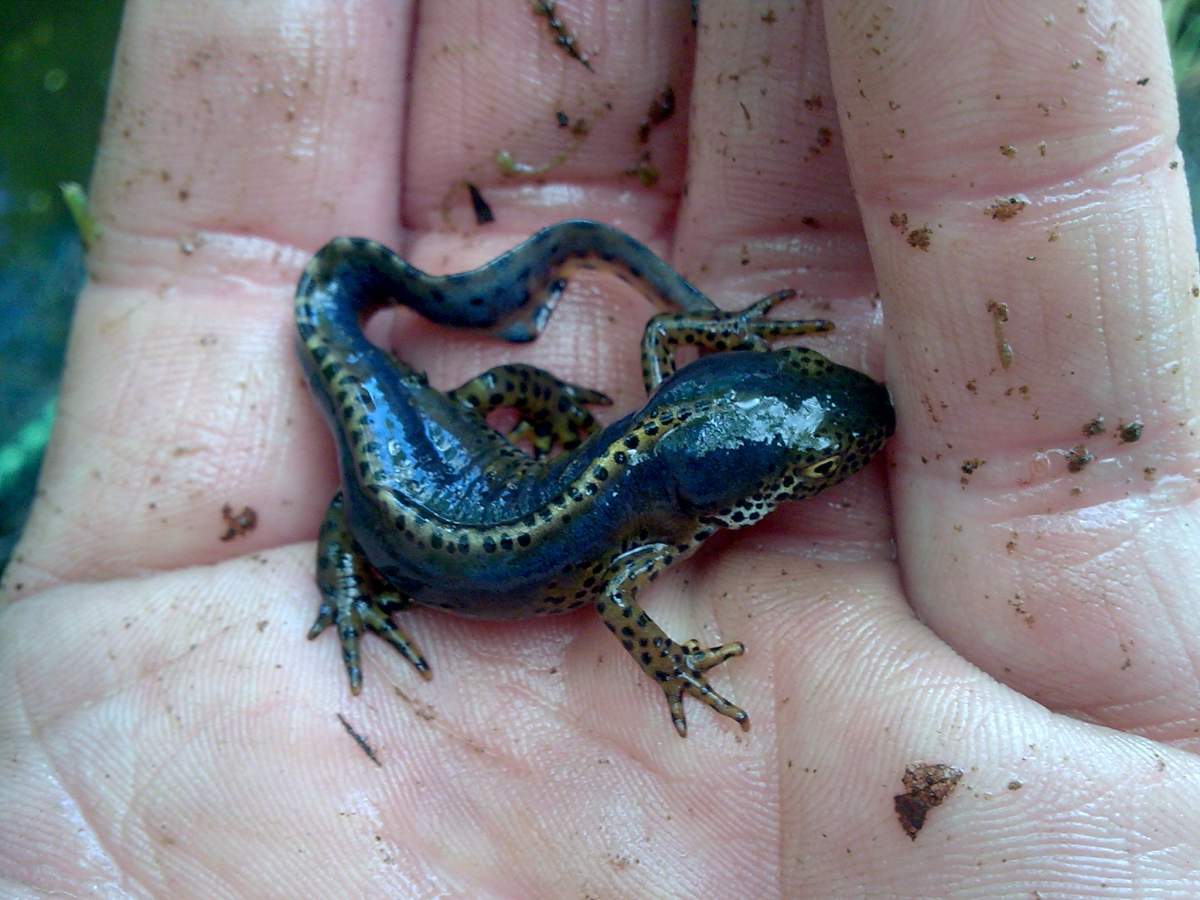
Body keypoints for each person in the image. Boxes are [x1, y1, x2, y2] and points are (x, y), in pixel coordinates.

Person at [2, 1, 1197, 894]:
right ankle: (362, 568)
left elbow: (674, 337)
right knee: (367, 516)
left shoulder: (669, 423)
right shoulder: (644, 538)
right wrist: (669, 663)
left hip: (460, 461)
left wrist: (709, 339)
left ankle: (441, 401)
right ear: (734, 497)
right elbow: (628, 593)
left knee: (437, 459)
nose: (835, 462)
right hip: (411, 505)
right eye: (817, 466)